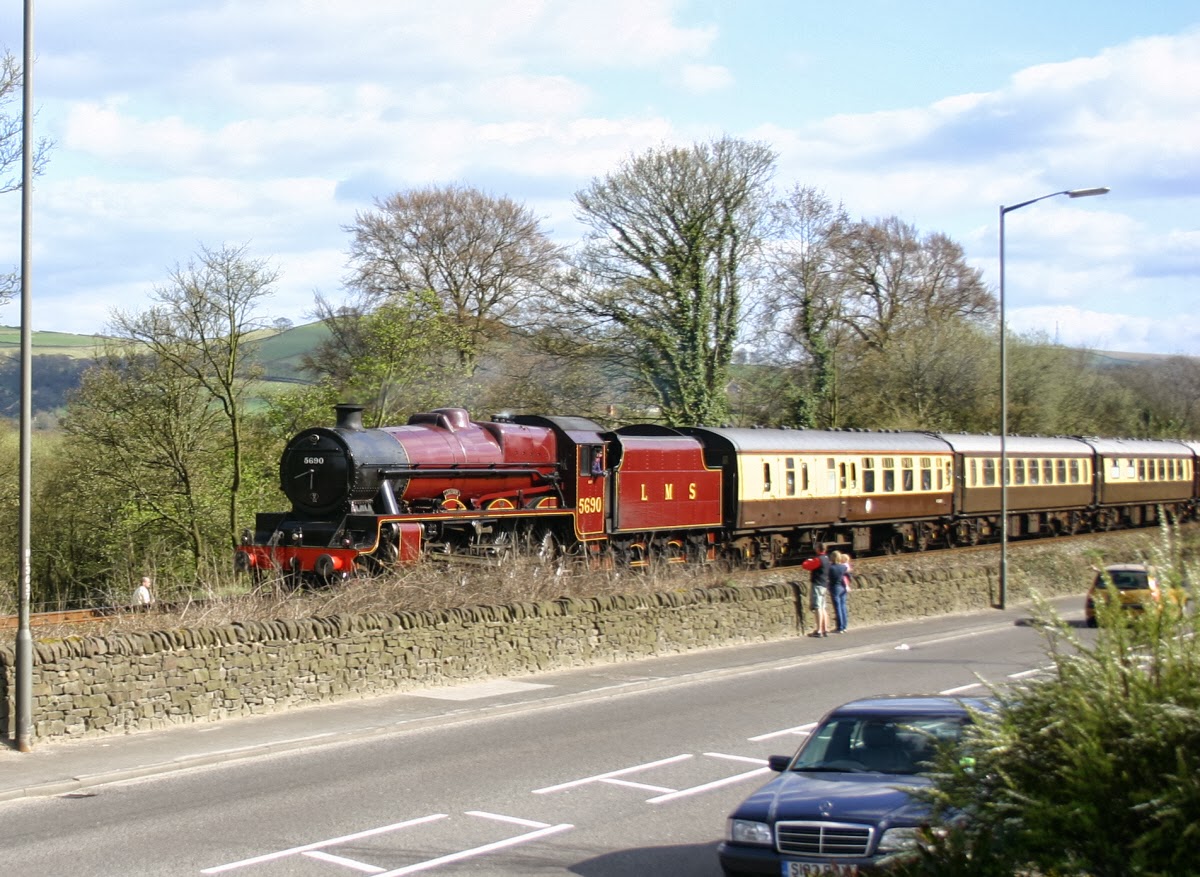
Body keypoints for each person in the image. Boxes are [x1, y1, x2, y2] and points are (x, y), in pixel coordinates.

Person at [801, 543, 832, 637]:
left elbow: (806, 566)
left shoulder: (818, 559)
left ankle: (819, 630)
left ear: (819, 549)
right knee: (823, 607)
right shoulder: (827, 558)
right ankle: (825, 629)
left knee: (818, 607)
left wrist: (808, 560)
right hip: (824, 584)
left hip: (818, 584)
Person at [830, 551, 852, 633]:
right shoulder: (843, 567)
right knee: (843, 606)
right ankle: (844, 626)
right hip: (843, 587)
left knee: (838, 607)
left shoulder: (831, 567)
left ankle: (840, 627)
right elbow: (848, 574)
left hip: (835, 587)